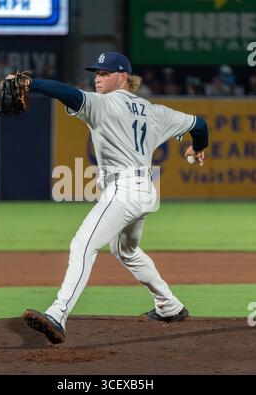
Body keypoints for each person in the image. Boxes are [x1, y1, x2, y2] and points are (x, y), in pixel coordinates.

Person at [21, 52, 209, 344]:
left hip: (124, 190)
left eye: (104, 73)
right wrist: (197, 148)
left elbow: (67, 93)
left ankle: (58, 314)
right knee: (127, 250)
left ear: (122, 78)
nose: (97, 78)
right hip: (145, 190)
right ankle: (170, 306)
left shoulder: (104, 104)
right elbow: (200, 124)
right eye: (96, 73)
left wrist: (31, 83)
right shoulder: (155, 111)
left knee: (83, 244)